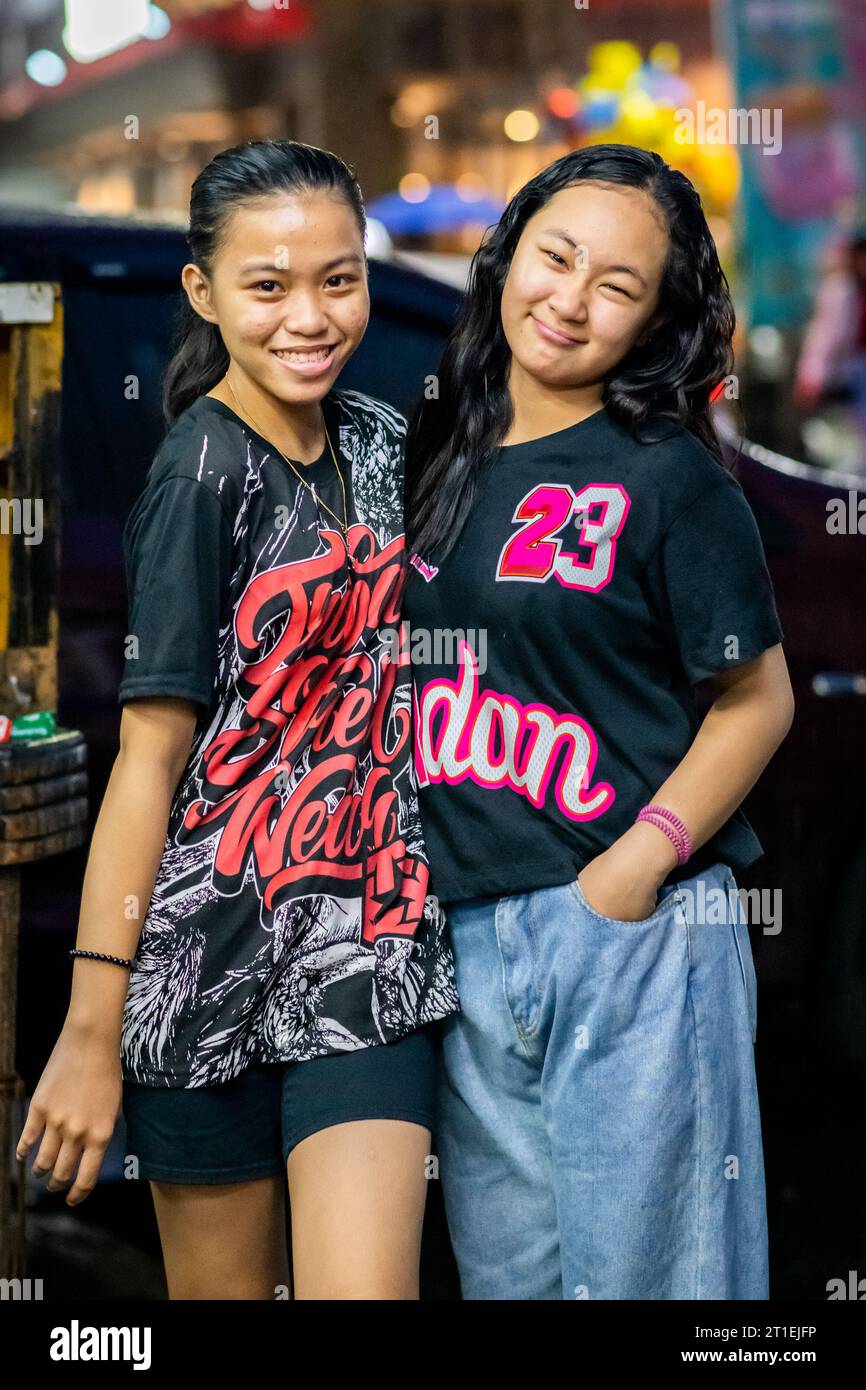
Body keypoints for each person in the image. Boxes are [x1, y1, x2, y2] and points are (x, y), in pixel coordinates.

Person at [16, 139, 459, 1301]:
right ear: (204, 292)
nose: (308, 316)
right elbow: (148, 765)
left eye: (338, 277)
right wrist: (89, 1027)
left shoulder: (372, 437)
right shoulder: (199, 474)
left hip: (367, 946)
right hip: (199, 969)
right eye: (267, 286)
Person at [404, 143, 795, 1300]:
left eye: (616, 285)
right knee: (511, 1284)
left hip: (628, 931)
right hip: (468, 934)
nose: (569, 300)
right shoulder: (445, 453)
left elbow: (755, 696)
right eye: (555, 256)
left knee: (654, 1285)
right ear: (508, 252)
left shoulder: (671, 478)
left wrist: (635, 868)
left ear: (652, 322)